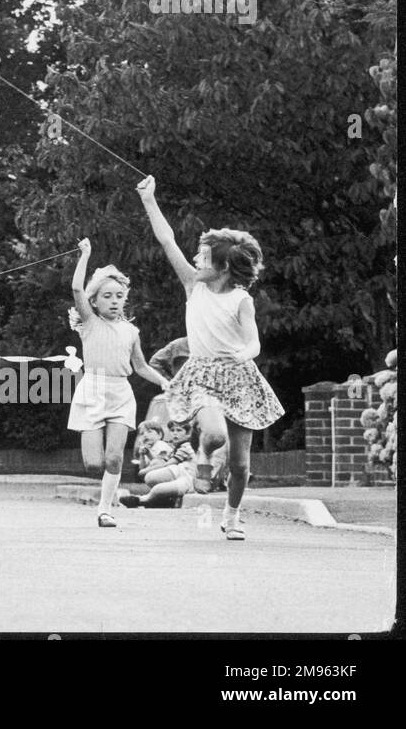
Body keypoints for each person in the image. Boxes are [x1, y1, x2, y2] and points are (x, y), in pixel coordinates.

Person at [136, 175, 283, 541]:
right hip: (201, 374)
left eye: (202, 258)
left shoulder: (240, 300)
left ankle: (232, 515)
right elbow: (166, 239)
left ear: (222, 268)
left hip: (239, 376)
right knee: (215, 436)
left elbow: (253, 343)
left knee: (240, 463)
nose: (195, 260)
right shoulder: (193, 285)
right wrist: (149, 200)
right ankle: (202, 455)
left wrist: (243, 353)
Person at [68, 237, 169, 528]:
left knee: (114, 459)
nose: (114, 301)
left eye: (119, 295)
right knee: (94, 465)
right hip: (93, 390)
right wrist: (85, 254)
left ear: (125, 298)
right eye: (107, 296)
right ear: (95, 301)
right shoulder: (89, 323)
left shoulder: (131, 331)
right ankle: (103, 499)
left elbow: (140, 366)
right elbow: (76, 288)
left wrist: (163, 381)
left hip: (121, 393)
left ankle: (104, 510)